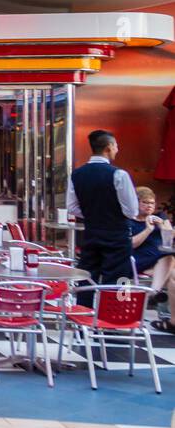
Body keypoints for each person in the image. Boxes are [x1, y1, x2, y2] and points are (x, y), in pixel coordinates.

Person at [68, 130, 139, 304]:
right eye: (115, 146)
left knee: (87, 275)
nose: (117, 149)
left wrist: (94, 214)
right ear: (108, 147)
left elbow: (72, 207)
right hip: (117, 235)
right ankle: (113, 320)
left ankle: (82, 321)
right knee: (118, 279)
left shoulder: (77, 174)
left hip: (91, 232)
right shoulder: (119, 175)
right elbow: (131, 211)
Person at [129, 187, 174, 320]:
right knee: (170, 262)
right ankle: (154, 295)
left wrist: (162, 227)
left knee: (171, 264)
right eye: (145, 202)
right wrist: (148, 230)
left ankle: (153, 294)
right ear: (136, 203)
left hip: (158, 261)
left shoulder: (160, 217)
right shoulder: (129, 221)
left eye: (152, 203)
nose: (149, 206)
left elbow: (169, 241)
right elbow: (131, 245)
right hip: (137, 260)